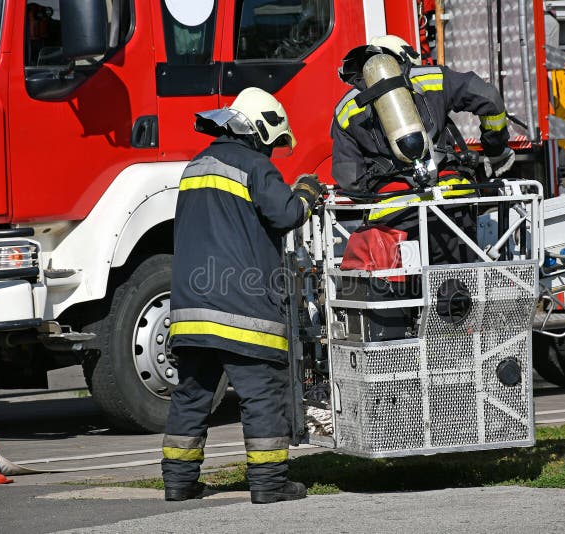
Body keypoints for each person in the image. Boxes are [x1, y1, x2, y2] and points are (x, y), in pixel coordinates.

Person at [162, 87, 322, 504]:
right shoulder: (254, 165)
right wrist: (307, 192)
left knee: (192, 396)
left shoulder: (196, 166)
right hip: (241, 309)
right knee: (262, 394)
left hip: (192, 306)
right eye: (274, 142)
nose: (272, 151)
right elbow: (286, 214)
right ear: (262, 130)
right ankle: (269, 482)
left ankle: (178, 482)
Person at [331, 35, 515, 263]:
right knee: (458, 279)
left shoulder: (346, 108)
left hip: (395, 217)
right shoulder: (433, 77)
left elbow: (350, 180)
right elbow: (490, 98)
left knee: (408, 283)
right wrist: (495, 149)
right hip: (451, 203)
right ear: (404, 56)